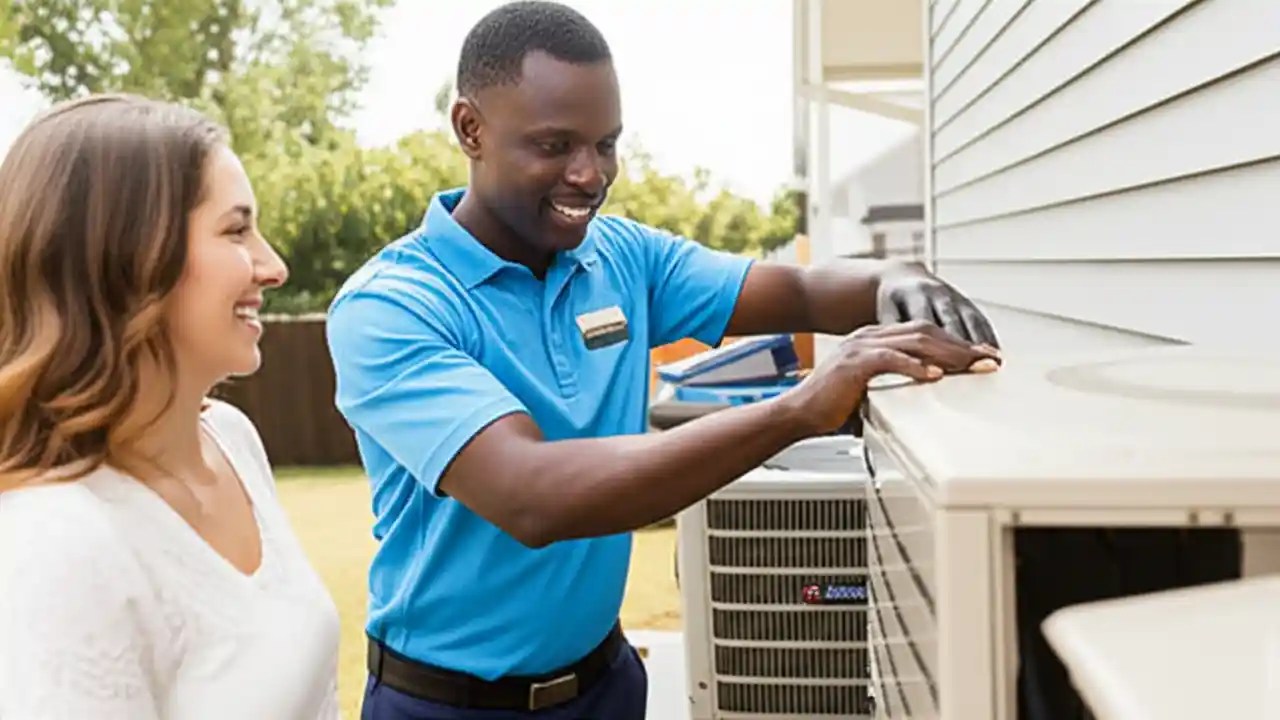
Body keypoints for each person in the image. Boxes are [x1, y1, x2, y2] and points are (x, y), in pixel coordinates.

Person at [324, 3, 1001, 718]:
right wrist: (801, 409)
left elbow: (800, 289)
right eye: (555, 145)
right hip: (448, 706)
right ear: (470, 129)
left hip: (607, 685)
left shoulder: (624, 258)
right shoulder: (392, 307)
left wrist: (893, 281)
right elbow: (532, 495)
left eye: (606, 144)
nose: (589, 175)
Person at [0, 94, 341, 719]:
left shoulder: (233, 442)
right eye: (237, 230)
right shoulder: (57, 540)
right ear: (129, 261)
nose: (274, 267)